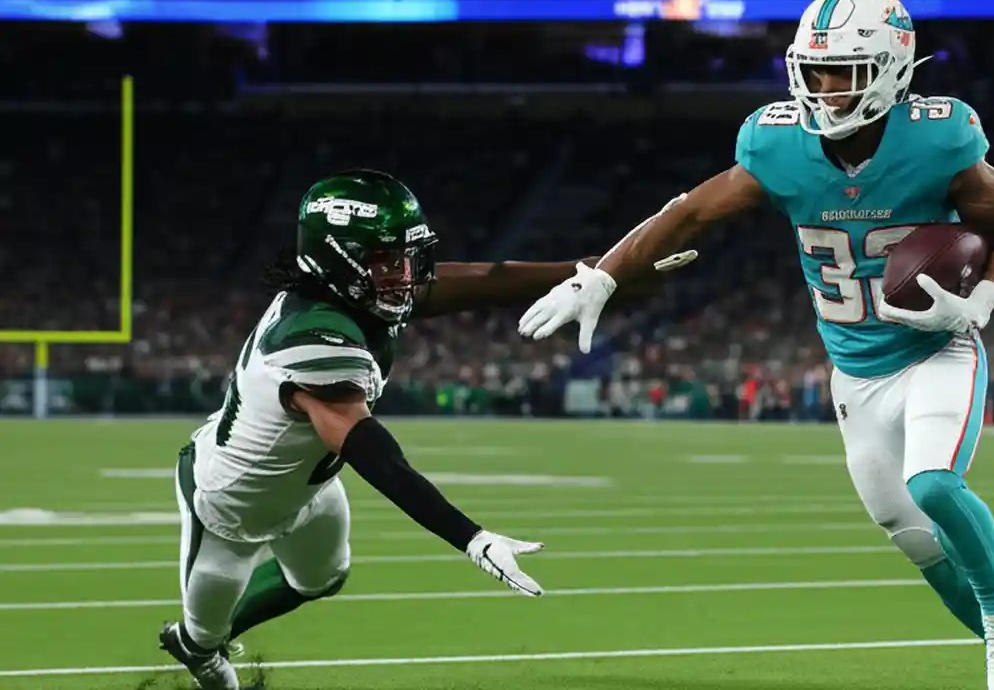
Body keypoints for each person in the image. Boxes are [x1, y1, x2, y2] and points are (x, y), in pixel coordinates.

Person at [517, 0, 994, 690]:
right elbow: (689, 214)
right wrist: (603, 276)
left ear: (892, 69)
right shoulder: (778, 145)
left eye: (842, 72)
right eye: (814, 70)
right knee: (910, 536)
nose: (823, 88)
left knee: (932, 484)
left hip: (936, 350)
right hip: (854, 370)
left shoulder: (937, 138)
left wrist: (978, 303)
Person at [159, 168, 693, 689]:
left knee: (322, 578)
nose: (404, 273)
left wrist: (602, 273)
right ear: (338, 259)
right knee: (205, 638)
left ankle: (206, 638)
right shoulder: (312, 339)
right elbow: (376, 455)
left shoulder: (350, 291)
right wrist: (471, 537)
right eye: (385, 260)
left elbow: (489, 280)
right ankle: (195, 643)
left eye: (405, 256)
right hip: (230, 503)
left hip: (308, 484)